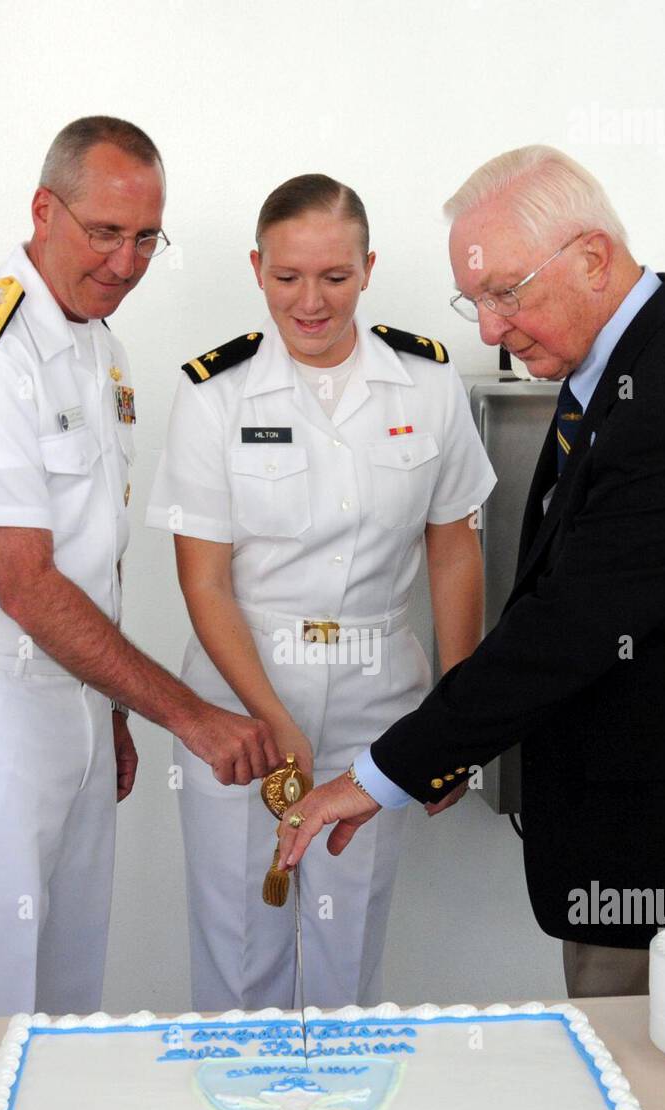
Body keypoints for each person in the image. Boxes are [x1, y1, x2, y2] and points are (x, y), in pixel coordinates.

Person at [277, 145, 665, 999]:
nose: (488, 330)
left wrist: (382, 776)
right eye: (474, 300)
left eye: (506, 293)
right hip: (640, 848)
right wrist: (442, 753)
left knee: (658, 1109)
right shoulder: (624, 364)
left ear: (592, 257)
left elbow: (562, 631)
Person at [0, 116, 277, 1019]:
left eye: (146, 239)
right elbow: (25, 584)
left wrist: (112, 713)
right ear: (43, 211)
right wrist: (188, 718)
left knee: (64, 1012)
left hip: (73, 710)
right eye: (105, 233)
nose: (127, 264)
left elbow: (97, 553)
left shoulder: (103, 349)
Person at [146, 174, 495, 1010]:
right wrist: (271, 717)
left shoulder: (429, 384)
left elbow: (453, 551)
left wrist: (459, 715)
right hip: (241, 697)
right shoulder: (213, 393)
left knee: (348, 956)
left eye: (335, 278)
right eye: (288, 277)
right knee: (240, 957)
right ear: (257, 268)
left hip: (381, 700)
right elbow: (205, 580)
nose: (311, 302)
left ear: (368, 268)